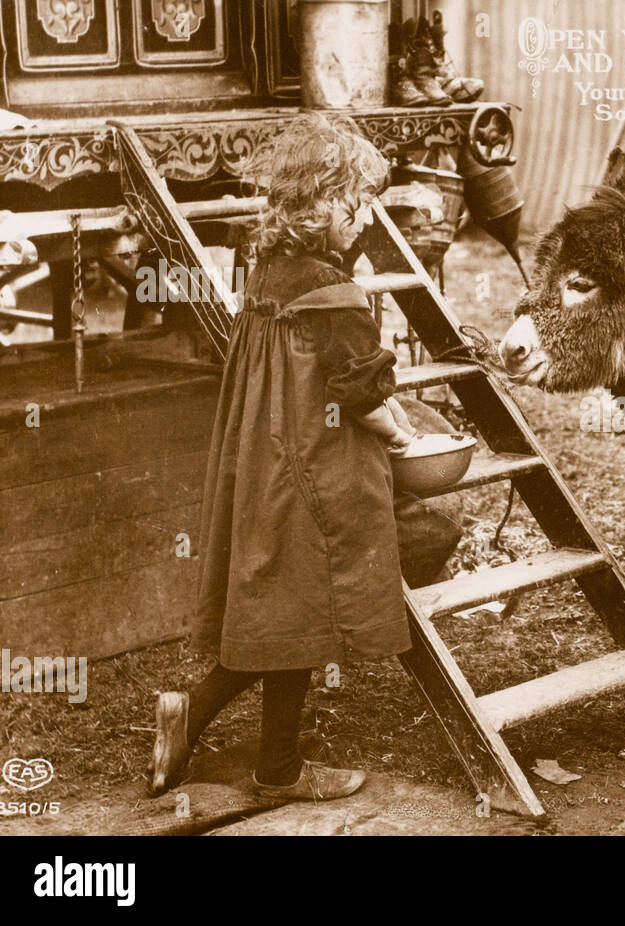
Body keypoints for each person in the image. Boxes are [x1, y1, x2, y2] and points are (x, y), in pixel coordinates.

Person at [149, 112, 417, 801]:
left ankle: (206, 721)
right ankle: (274, 769)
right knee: (302, 609)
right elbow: (360, 390)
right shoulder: (336, 297)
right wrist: (403, 432)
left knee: (277, 610)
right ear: (323, 205)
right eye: (357, 206)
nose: (365, 221)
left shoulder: (267, 268)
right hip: (314, 469)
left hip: (264, 461)